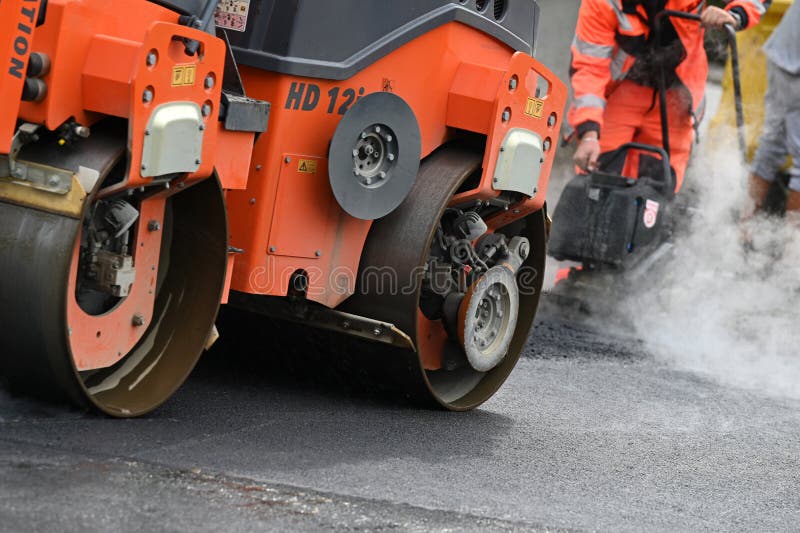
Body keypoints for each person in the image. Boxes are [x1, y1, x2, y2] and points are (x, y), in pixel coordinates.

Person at [568, 0, 770, 192]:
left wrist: (735, 15)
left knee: (658, 194)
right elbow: (589, 67)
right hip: (621, 94)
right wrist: (589, 134)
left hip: (676, 101)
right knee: (595, 184)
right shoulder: (602, 3)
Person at [748, 0, 800, 215]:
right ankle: (792, 235)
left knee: (771, 144)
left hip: (784, 51)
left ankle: (745, 224)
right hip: (790, 56)